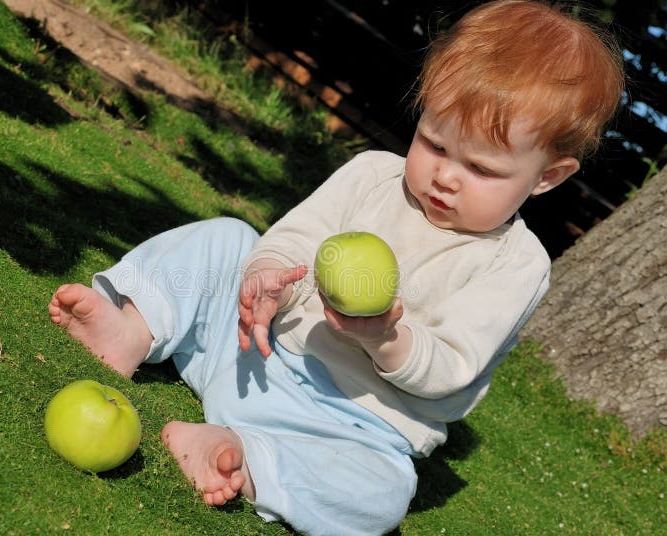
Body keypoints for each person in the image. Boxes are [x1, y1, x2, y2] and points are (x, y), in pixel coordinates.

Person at [48, 1, 624, 534]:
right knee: (227, 239)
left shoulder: (517, 265)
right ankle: (134, 327)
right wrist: (268, 275)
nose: (446, 176)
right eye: (435, 144)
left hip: (349, 425)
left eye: (481, 168)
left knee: (382, 495)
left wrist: (387, 338)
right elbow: (295, 237)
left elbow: (454, 365)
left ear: (547, 177)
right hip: (256, 351)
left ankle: (243, 456)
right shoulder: (374, 174)